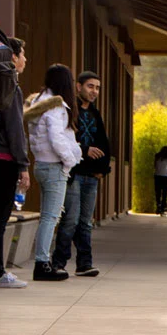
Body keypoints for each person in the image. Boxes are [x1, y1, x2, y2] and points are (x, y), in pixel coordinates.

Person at [25, 64, 83, 282]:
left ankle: (42, 261)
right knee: (51, 217)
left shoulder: (37, 103)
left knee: (47, 216)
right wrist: (69, 160)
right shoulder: (55, 106)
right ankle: (42, 263)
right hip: (54, 166)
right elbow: (57, 137)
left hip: (40, 164)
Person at [52, 71, 110, 277]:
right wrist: (85, 150)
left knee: (86, 221)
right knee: (70, 220)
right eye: (90, 86)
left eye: (97, 87)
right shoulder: (68, 111)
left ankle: (84, 264)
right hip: (74, 173)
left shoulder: (95, 114)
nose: (94, 91)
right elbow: (63, 139)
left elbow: (104, 142)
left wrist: (102, 170)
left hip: (91, 175)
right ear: (78, 87)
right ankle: (58, 262)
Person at [0, 38, 31, 289]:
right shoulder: (11, 86)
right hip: (5, 159)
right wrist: (23, 165)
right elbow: (15, 129)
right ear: (13, 57)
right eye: (23, 55)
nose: (25, 60)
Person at [154, 146, 167, 215]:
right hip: (166, 176)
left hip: (157, 175)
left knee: (158, 192)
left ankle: (158, 205)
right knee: (164, 193)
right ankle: (162, 209)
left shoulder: (157, 156)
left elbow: (155, 166)